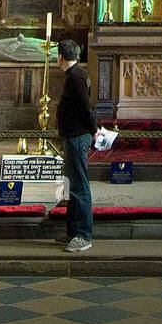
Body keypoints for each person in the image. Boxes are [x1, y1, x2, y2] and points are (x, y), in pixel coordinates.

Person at [56, 39, 97, 252]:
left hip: (77, 136)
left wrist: (94, 129)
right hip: (72, 135)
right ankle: (73, 231)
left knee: (79, 186)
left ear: (60, 57)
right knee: (70, 186)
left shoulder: (76, 77)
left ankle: (83, 235)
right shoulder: (74, 75)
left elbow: (84, 107)